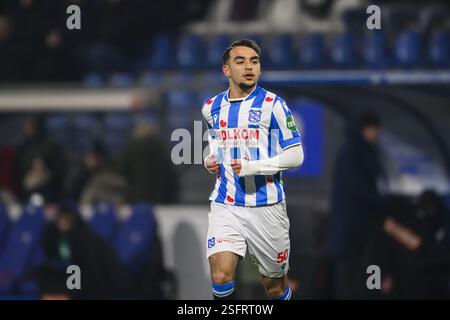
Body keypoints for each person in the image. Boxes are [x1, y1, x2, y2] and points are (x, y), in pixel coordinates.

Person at [202, 39, 304, 300]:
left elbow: (296, 155)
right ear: (226, 70)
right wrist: (209, 159)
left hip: (267, 208)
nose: (249, 67)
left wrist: (253, 167)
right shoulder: (211, 107)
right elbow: (215, 142)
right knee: (221, 275)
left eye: (254, 61)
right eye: (240, 61)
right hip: (227, 204)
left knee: (275, 287)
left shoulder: (274, 105)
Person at [326, 112, 387, 299]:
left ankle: (370, 293)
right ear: (363, 129)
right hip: (351, 225)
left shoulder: (368, 152)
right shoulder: (352, 154)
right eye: (373, 129)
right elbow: (357, 187)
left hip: (366, 225)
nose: (376, 133)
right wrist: (379, 202)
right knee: (350, 268)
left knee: (371, 264)